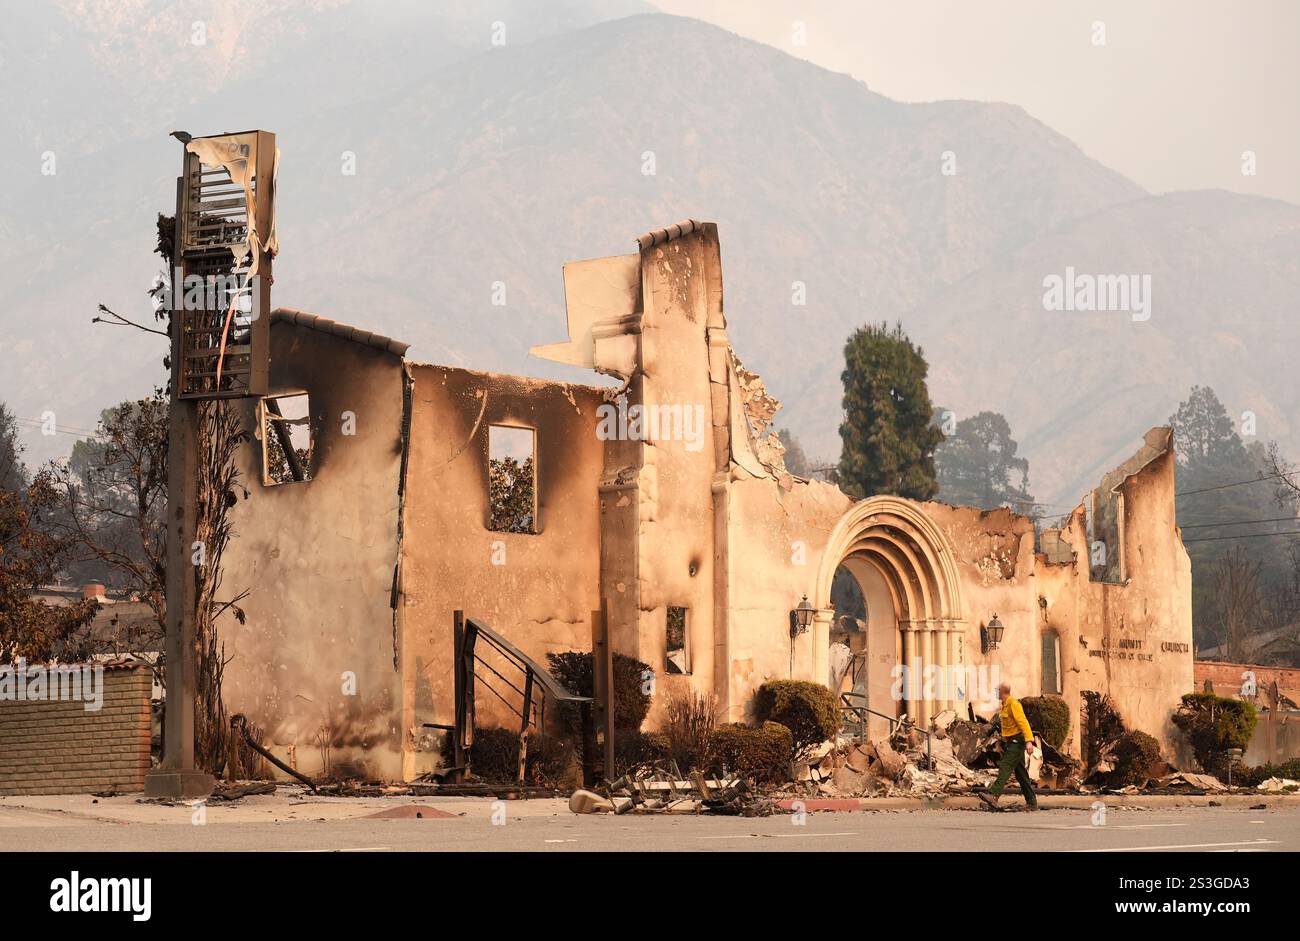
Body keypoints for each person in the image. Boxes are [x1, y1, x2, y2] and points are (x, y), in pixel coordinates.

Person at [977, 683, 1038, 811]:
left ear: (1002, 691)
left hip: (1018, 741)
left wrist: (1029, 741)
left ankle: (993, 795)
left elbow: (1023, 722)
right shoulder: (1005, 705)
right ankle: (1032, 802)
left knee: (1005, 765)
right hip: (1012, 741)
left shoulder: (1013, 704)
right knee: (1021, 773)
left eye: (997, 690)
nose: (996, 692)